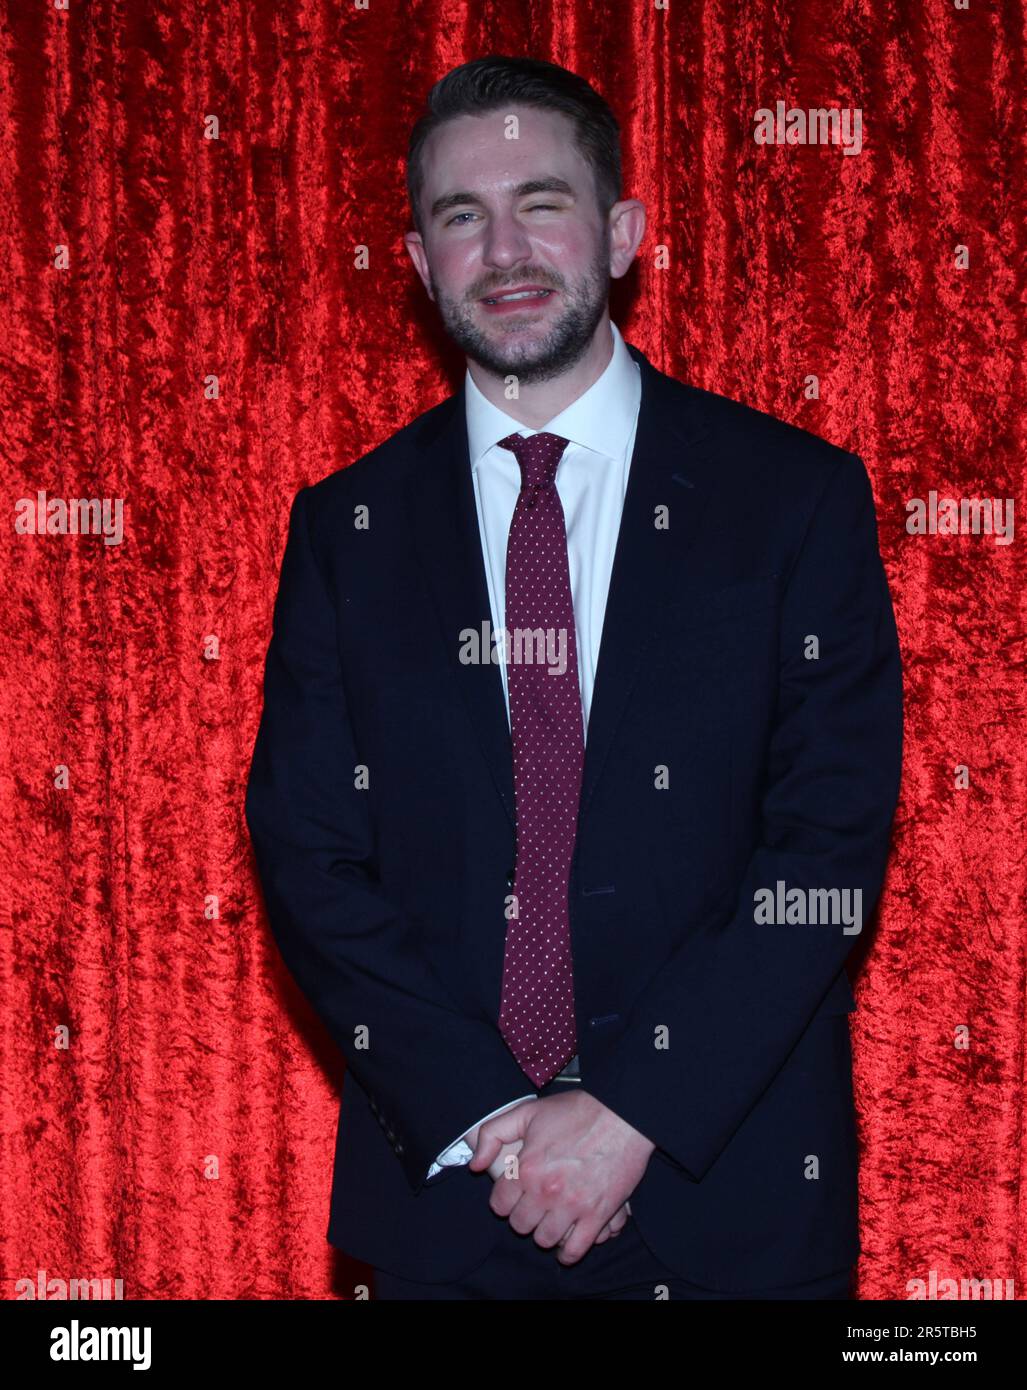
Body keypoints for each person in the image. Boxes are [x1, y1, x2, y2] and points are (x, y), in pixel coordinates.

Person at [244, 54, 903, 1300]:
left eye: (540, 202)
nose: (504, 249)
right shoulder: (347, 528)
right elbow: (307, 854)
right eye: (460, 216)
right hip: (448, 1202)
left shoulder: (793, 500)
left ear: (621, 230)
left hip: (733, 1207)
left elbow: (824, 849)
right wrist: (492, 1113)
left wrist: (628, 1113)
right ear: (417, 257)